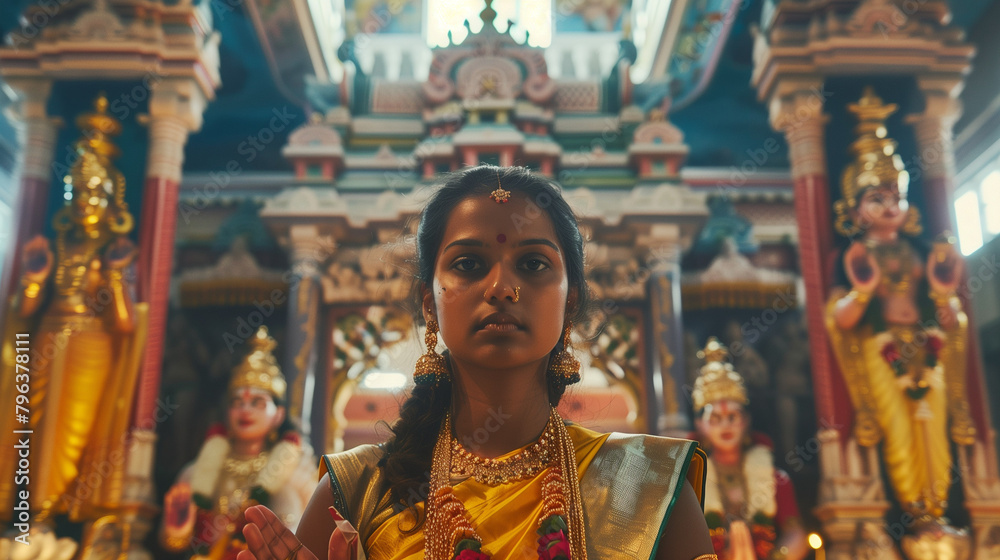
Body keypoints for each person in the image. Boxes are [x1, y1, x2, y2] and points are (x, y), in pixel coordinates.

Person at [238, 165, 717, 560]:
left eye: (532, 264)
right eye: (468, 264)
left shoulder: (650, 487)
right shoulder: (355, 494)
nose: (501, 288)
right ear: (430, 304)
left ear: (569, 304)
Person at [825, 88, 974, 541]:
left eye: (896, 195)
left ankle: (939, 511)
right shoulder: (852, 257)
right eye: (877, 197)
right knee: (901, 431)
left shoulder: (921, 252)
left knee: (935, 427)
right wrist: (863, 290)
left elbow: (949, 312)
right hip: (882, 348)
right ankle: (914, 515)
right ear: (854, 209)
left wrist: (947, 302)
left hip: (926, 344)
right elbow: (840, 319)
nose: (890, 206)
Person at [161, 326, 315, 559]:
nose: (245, 410)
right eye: (237, 402)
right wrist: (177, 528)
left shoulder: (296, 473)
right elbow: (172, 543)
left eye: (258, 403)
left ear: (278, 415)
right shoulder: (196, 472)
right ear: (226, 412)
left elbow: (311, 538)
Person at [691, 338, 807, 560]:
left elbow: (796, 534)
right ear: (700, 427)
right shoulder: (691, 482)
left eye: (732, 417)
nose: (725, 425)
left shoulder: (776, 479)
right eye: (715, 418)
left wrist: (777, 557)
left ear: (746, 422)